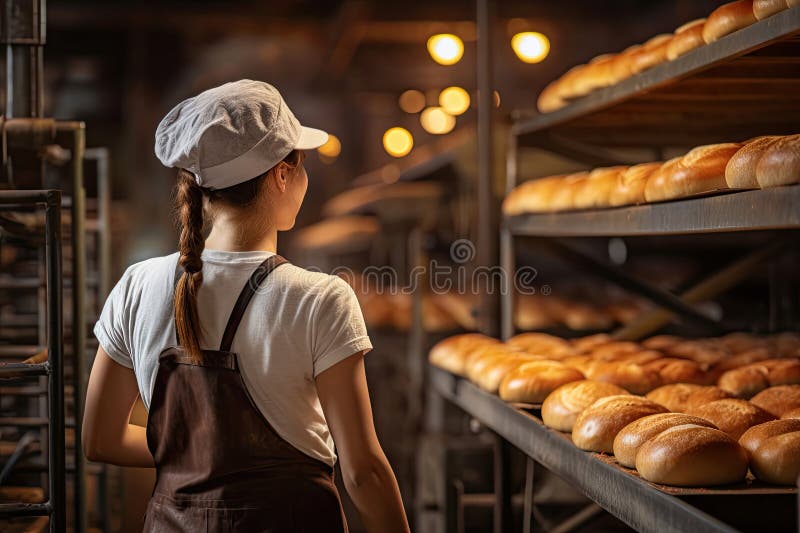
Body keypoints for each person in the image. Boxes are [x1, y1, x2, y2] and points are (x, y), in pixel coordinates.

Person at [82, 80, 409, 532]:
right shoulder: (319, 298)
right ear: (280, 174)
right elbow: (363, 471)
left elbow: (100, 440)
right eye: (302, 165)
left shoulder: (137, 285)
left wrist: (198, 450)